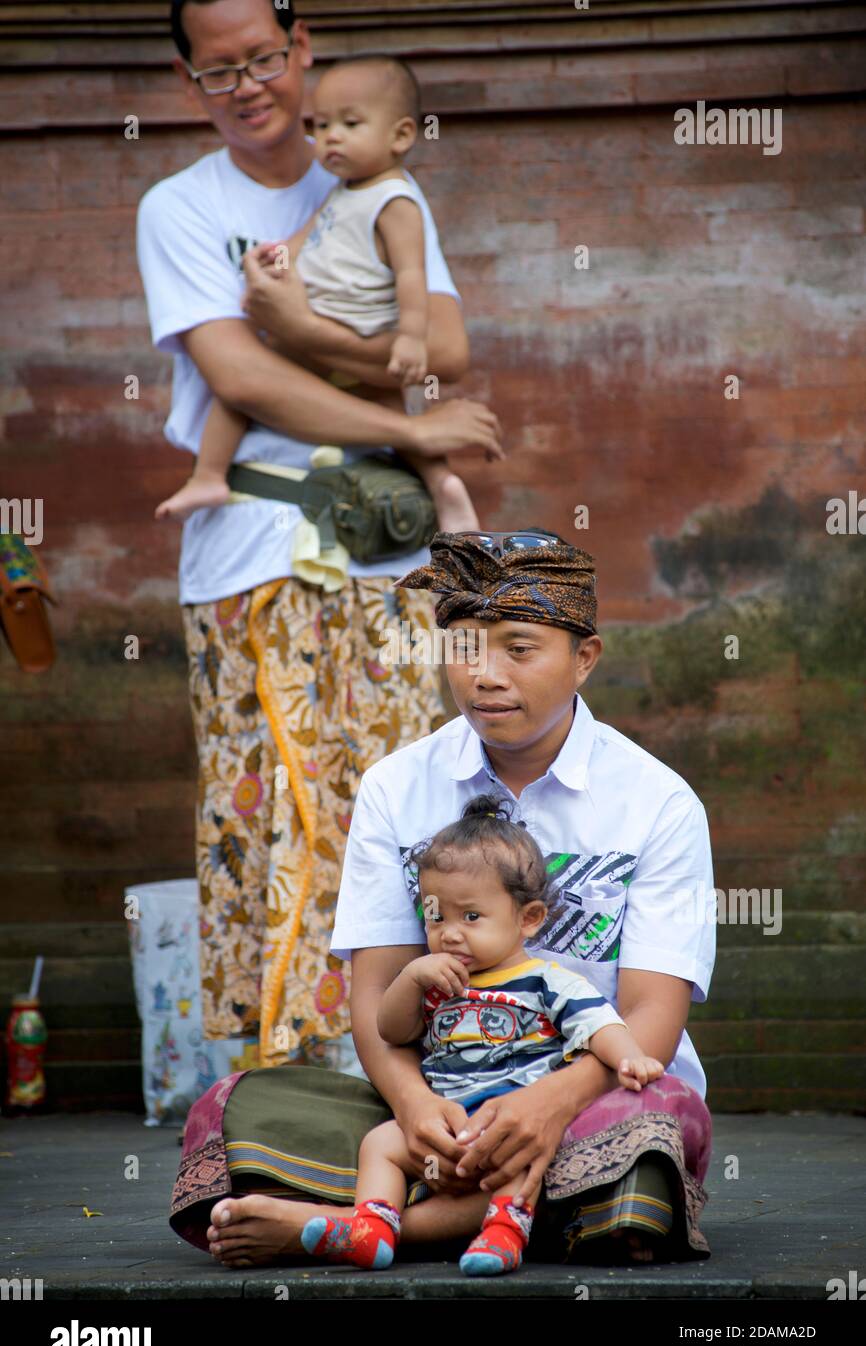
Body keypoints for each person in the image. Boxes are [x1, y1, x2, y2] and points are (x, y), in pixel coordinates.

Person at [170, 530, 716, 1269]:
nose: (485, 675)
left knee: (652, 1130)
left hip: (599, 1095)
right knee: (227, 1108)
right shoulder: (396, 787)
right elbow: (374, 1004)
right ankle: (499, 1215)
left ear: (584, 659)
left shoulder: (658, 803)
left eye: (519, 649)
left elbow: (653, 1014)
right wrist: (416, 1109)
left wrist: (549, 1104)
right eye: (463, 648)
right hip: (439, 1107)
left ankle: (352, 1226)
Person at [137, 0, 502, 1062]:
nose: (248, 85)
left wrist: (301, 331)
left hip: (390, 556)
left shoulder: (380, 182)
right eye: (219, 72)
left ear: (301, 50)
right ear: (185, 79)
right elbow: (242, 374)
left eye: (263, 58)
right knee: (265, 813)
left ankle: (397, 1068)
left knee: (402, 809)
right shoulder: (181, 207)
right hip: (253, 550)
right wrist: (401, 415)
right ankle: (276, 1078)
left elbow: (443, 345)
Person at [299, 792, 666, 1276]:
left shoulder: (546, 982)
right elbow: (390, 1029)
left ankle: (504, 1231)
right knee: (381, 1144)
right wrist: (410, 979)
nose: (450, 933)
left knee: (520, 1158)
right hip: (443, 1122)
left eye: (470, 917)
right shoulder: (434, 982)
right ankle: (373, 1225)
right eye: (437, 916)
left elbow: (599, 1024)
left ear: (528, 918)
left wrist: (629, 1059)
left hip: (510, 1115)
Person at [155, 52, 479, 537]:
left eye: (350, 124)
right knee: (248, 393)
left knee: (384, 404)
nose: (331, 137)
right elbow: (306, 237)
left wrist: (410, 338)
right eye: (323, 123)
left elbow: (412, 277)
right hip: (322, 320)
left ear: (402, 136)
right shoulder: (344, 188)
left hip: (360, 322)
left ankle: (443, 483)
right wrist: (270, 261)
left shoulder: (397, 201)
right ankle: (209, 476)